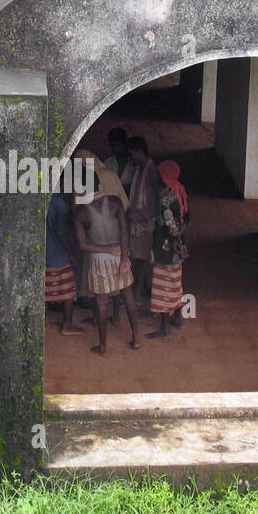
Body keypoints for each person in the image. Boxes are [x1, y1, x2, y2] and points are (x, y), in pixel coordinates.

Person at [74, 167, 142, 354]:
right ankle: (136, 337)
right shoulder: (115, 202)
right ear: (99, 183)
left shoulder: (81, 212)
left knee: (102, 302)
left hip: (99, 260)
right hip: (120, 254)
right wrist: (124, 258)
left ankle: (103, 346)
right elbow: (124, 231)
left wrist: (106, 250)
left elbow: (82, 244)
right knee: (127, 295)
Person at [148, 159, 189, 339]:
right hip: (179, 245)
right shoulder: (178, 191)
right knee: (175, 282)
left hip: (167, 248)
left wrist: (171, 240)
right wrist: (179, 238)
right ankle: (178, 318)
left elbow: (170, 226)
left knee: (163, 286)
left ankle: (165, 327)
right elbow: (186, 218)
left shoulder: (165, 200)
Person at [125, 136, 159, 305]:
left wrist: (133, 215)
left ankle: (136, 296)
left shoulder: (151, 172)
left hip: (144, 223)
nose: (130, 159)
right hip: (138, 221)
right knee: (140, 259)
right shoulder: (140, 168)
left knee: (140, 261)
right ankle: (142, 291)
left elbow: (152, 205)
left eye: (132, 154)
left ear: (140, 152)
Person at [44, 191, 82, 334]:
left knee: (44, 288)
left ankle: (43, 320)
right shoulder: (58, 202)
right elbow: (62, 232)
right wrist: (71, 252)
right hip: (58, 252)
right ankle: (67, 324)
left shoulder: (40, 198)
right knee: (67, 291)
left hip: (45, 251)